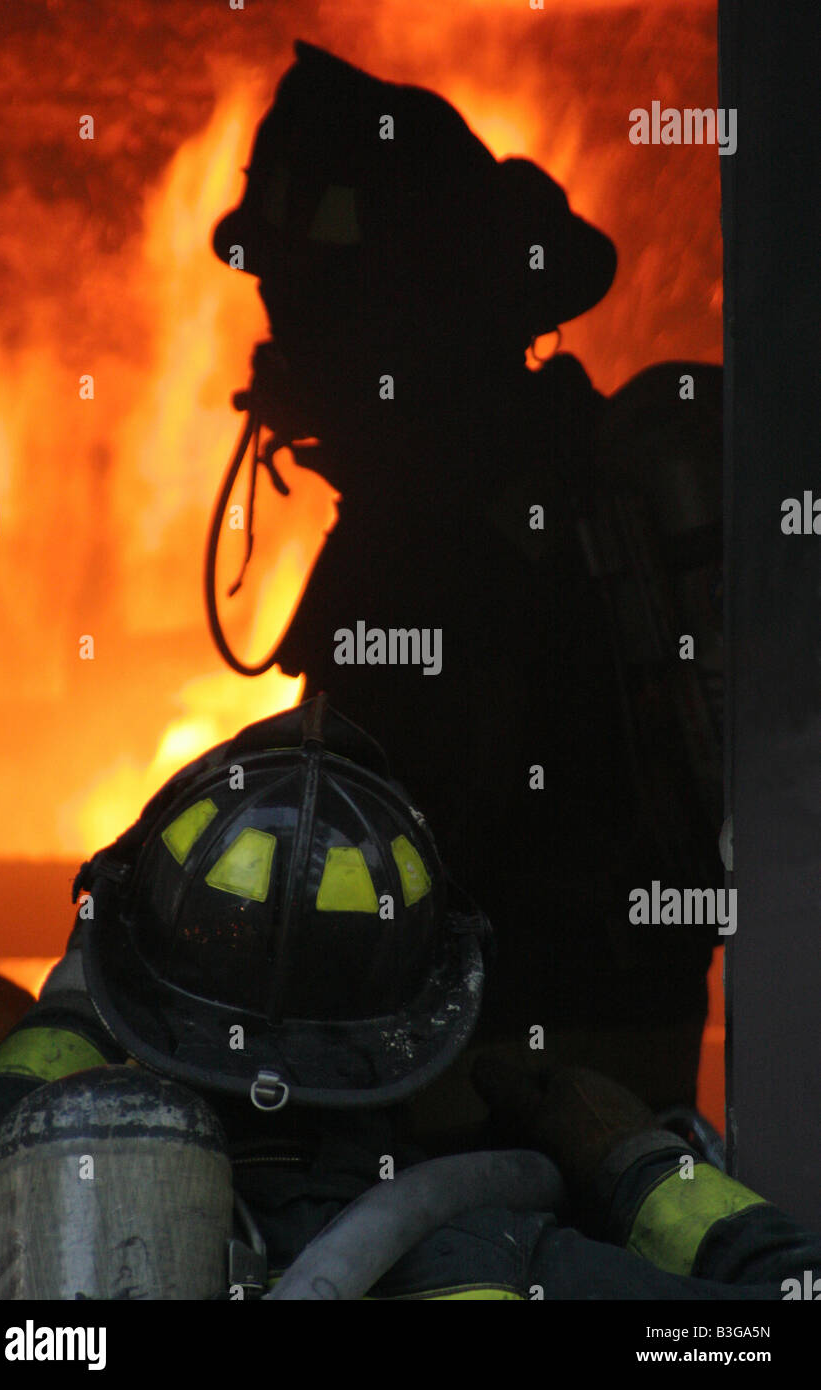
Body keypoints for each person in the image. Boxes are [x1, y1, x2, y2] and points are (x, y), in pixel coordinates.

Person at [209, 42, 724, 1109]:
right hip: (603, 1039)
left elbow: (383, 857)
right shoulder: (545, 465)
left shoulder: (442, 529)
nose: (278, 343)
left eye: (298, 302)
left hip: (495, 1071)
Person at [0, 699, 816, 1300]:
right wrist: (634, 1163)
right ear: (431, 1022)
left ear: (131, 1005)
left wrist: (84, 983)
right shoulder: (521, 1265)